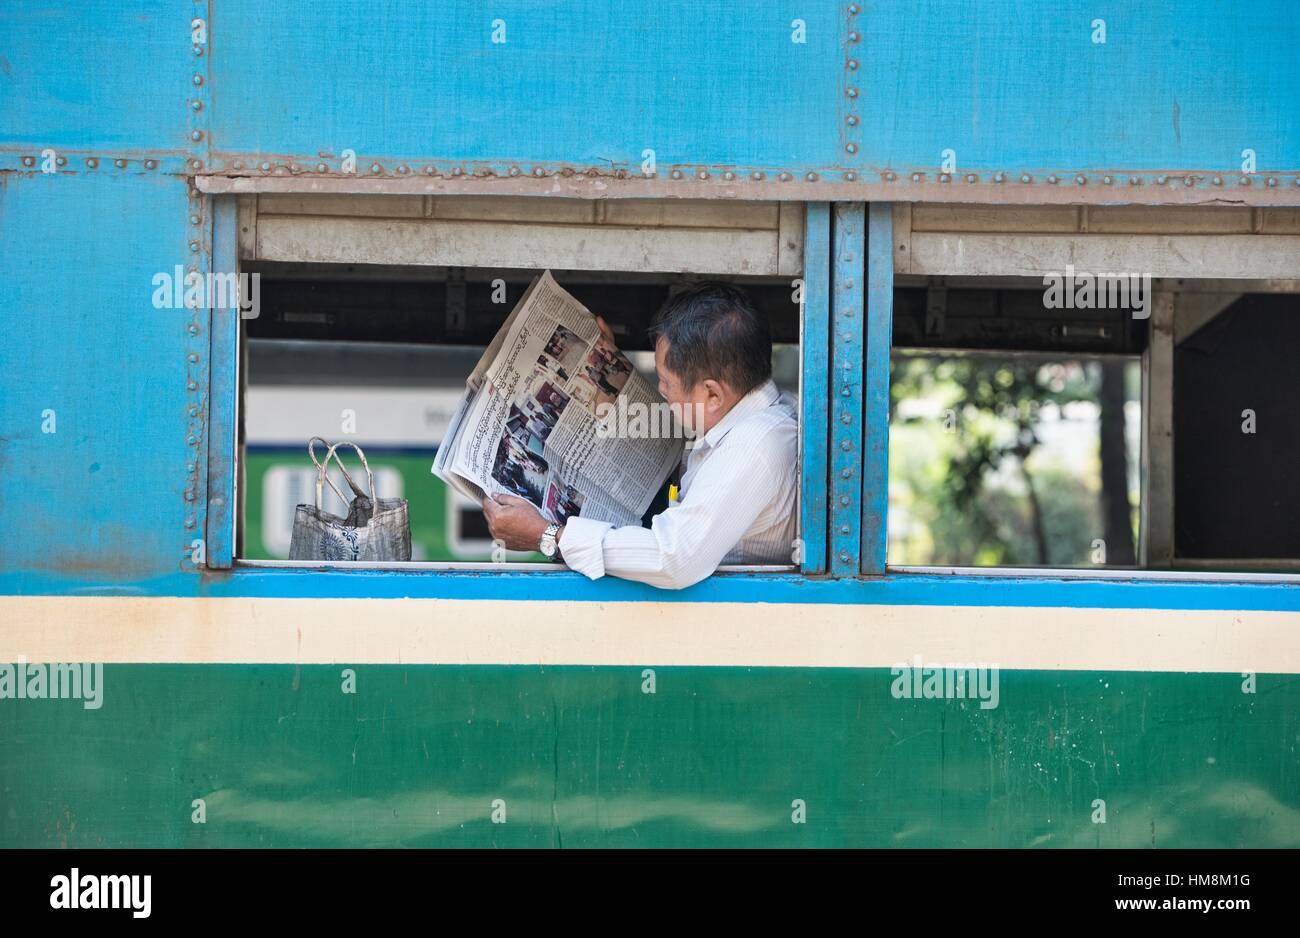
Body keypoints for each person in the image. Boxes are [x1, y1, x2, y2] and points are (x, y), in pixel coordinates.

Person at [483, 282, 797, 590]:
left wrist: (549, 536)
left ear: (713, 394)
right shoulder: (749, 416)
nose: (661, 391)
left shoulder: (753, 445)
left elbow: (673, 557)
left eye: (666, 382)